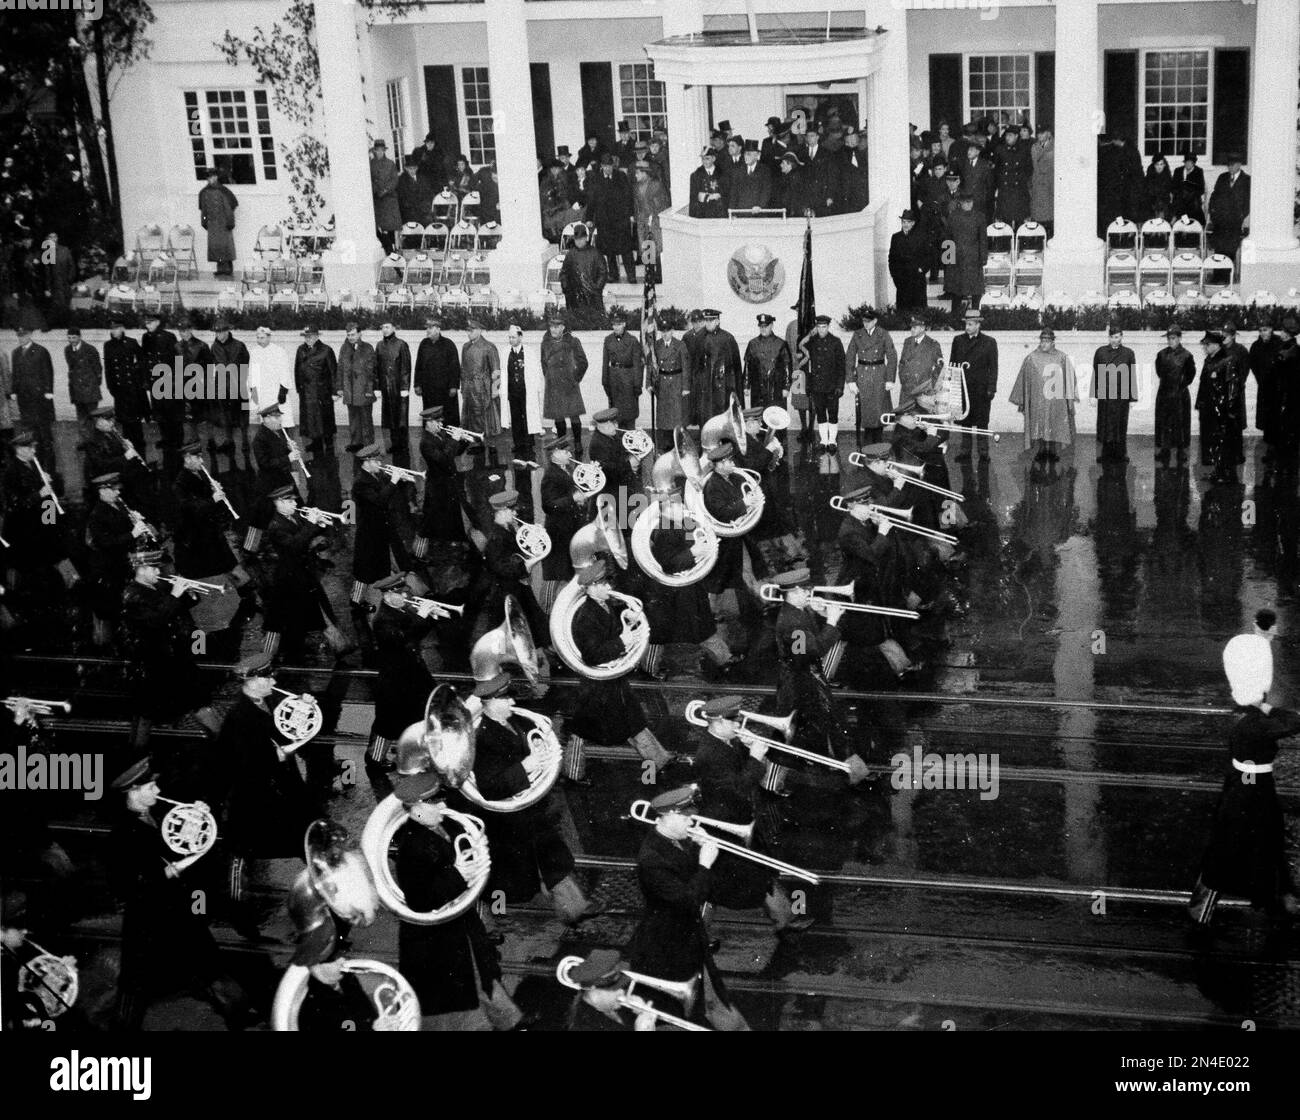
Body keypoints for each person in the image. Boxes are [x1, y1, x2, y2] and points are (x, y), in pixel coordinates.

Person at [108, 757, 254, 1031]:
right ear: (131, 791)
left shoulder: (158, 816)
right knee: (134, 997)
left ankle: (240, 1018)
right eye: (150, 786)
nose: (157, 791)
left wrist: (195, 821)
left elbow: (179, 847)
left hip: (178, 918)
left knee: (215, 979)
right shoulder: (122, 835)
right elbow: (126, 886)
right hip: (149, 926)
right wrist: (174, 868)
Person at [388, 753, 525, 1030]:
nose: (442, 805)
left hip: (456, 926)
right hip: (436, 938)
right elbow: (420, 900)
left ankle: (509, 1020)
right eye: (434, 801)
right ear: (415, 808)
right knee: (464, 993)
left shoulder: (440, 825)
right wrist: (459, 874)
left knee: (481, 976)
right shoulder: (411, 848)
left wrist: (477, 848)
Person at [450, 673, 600, 924]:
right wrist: (526, 767)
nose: (512, 703)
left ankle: (574, 908)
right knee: (491, 882)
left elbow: (522, 751)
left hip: (525, 813)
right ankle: (483, 927)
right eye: (505, 699)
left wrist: (537, 753)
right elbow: (490, 787)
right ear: (488, 704)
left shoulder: (510, 722)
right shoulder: (483, 739)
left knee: (552, 858)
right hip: (503, 824)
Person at [1189, 634, 1300, 924]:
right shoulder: (1256, 723)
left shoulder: (1242, 716)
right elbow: (1295, 721)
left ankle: (1281, 896)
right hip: (1251, 788)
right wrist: (1268, 707)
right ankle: (1205, 908)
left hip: (1245, 784)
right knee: (1237, 845)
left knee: (1262, 840)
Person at [626, 785, 749, 1030]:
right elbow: (688, 899)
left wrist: (702, 850)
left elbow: (706, 884)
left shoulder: (678, 841)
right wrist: (704, 864)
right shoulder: (651, 859)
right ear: (667, 816)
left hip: (688, 940)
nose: (690, 822)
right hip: (666, 948)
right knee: (682, 1012)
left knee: (713, 1003)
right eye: (685, 817)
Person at [689, 694, 814, 934]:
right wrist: (755, 757)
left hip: (739, 820)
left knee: (760, 872)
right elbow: (738, 788)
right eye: (733, 720)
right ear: (716, 722)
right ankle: (697, 936)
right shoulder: (709, 754)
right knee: (718, 886)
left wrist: (750, 751)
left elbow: (751, 774)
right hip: (723, 826)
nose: (738, 724)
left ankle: (785, 919)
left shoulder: (728, 741)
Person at [561, 559, 676, 784]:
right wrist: (623, 642)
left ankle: (656, 766)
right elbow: (593, 655)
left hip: (610, 681)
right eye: (602, 585)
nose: (608, 588)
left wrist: (630, 623)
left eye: (607, 583)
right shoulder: (586, 616)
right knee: (584, 730)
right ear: (590, 588)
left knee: (632, 724)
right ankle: (575, 775)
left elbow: (613, 634)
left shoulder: (602, 606)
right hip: (598, 686)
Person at [261, 485, 340, 660]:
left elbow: (308, 534)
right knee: (280, 619)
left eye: (294, 499)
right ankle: (272, 657)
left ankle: (338, 647)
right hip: (288, 578)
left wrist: (320, 524)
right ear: (278, 503)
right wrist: (312, 524)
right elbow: (295, 545)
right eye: (290, 501)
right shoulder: (275, 526)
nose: (295, 503)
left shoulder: (294, 516)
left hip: (304, 573)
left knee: (317, 611)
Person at [1009, 327, 1078, 462]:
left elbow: (1070, 379)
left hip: (1055, 400)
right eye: (1042, 340)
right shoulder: (1031, 358)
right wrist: (1024, 399)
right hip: (1038, 399)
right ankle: (1041, 449)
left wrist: (1069, 400)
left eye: (1047, 341)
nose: (1044, 343)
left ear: (1053, 342)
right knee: (1039, 423)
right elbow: (1024, 378)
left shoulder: (1062, 358)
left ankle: (1052, 450)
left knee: (1054, 422)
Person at [947, 308, 998, 461]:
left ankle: (983, 452)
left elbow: (993, 367)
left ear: (978, 325)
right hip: (963, 388)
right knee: (965, 420)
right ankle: (965, 451)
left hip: (981, 389)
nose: (967, 327)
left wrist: (991, 388)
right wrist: (952, 386)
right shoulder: (958, 341)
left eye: (970, 324)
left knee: (982, 421)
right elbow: (952, 364)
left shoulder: (989, 342)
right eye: (966, 324)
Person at [416, 405, 469, 547]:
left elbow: (454, 452)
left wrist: (464, 439)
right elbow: (444, 459)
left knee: (449, 511)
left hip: (447, 479)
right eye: (438, 422)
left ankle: (452, 539)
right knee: (434, 515)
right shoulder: (425, 443)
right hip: (437, 483)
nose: (441, 425)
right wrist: (454, 440)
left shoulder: (439, 434)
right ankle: (425, 547)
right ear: (429, 423)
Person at [844, 307, 897, 447]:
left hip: (879, 374)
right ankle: (867, 441)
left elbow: (892, 356)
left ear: (875, 321)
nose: (865, 324)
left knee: (879, 408)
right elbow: (849, 357)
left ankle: (878, 439)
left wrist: (890, 379)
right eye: (864, 321)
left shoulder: (883, 334)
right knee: (866, 408)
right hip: (863, 374)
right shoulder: (857, 334)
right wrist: (850, 380)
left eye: (868, 321)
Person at [1196, 330, 1243, 483]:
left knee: (1223, 441)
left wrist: (1229, 409)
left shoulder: (1229, 360)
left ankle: (1226, 473)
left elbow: (1233, 387)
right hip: (1210, 408)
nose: (1205, 347)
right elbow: (1204, 384)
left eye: (1207, 344)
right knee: (1214, 441)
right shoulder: (1209, 360)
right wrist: (1200, 403)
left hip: (1222, 409)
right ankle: (1218, 470)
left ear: (1216, 345)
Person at [584, 153, 636, 282]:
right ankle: (613, 274)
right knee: (609, 250)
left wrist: (630, 214)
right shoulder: (596, 180)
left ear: (613, 166)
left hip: (620, 219)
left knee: (626, 249)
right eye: (605, 166)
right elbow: (591, 200)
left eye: (610, 166)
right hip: (604, 221)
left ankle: (631, 275)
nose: (607, 169)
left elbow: (629, 197)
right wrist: (589, 218)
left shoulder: (621, 177)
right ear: (601, 166)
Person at [1091, 325, 1139, 463]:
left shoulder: (1129, 353)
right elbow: (1096, 374)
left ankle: (1121, 453)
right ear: (1109, 337)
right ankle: (1105, 454)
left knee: (1120, 424)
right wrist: (1093, 394)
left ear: (1121, 337)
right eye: (1111, 337)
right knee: (1105, 424)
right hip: (1105, 394)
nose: (1114, 340)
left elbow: (1132, 376)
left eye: (1117, 337)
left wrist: (1133, 398)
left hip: (1121, 395)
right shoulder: (1100, 352)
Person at [103, 320, 150, 454]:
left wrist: (137, 373)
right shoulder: (108, 345)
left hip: (133, 390)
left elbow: (142, 361)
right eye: (112, 329)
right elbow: (108, 369)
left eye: (116, 328)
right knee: (125, 427)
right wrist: (111, 387)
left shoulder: (131, 342)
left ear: (122, 328)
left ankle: (142, 457)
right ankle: (131, 458)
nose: (114, 331)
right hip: (120, 391)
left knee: (137, 428)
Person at [10, 326, 55, 466]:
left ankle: (48, 462)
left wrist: (48, 390)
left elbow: (48, 371)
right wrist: (14, 391)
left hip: (39, 397)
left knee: (43, 430)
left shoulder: (41, 351)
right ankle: (34, 458)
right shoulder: (16, 352)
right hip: (24, 397)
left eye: (23, 336)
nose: (21, 338)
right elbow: (16, 374)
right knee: (28, 427)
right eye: (19, 336)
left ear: (29, 335)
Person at [208, 319, 249, 468]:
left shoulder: (239, 345)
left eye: (221, 332)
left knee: (242, 416)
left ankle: (245, 442)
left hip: (237, 386)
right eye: (216, 332)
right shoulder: (214, 347)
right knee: (225, 416)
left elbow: (246, 363)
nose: (218, 335)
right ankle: (229, 442)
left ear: (227, 331)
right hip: (222, 387)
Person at [294, 325, 339, 457]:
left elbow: (333, 372)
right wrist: (299, 387)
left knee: (325, 419)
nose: (308, 339)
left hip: (322, 391)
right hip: (306, 391)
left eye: (311, 336)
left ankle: (329, 444)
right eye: (306, 336)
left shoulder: (326, 350)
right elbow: (297, 369)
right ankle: (316, 442)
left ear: (317, 336)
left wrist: (335, 391)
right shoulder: (300, 350)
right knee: (310, 420)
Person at [460, 319, 502, 461]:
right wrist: (463, 387)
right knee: (472, 416)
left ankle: (491, 445)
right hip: (469, 388)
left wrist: (495, 388)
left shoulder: (489, 347)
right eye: (467, 330)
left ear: (479, 330)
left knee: (487, 417)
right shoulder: (465, 347)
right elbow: (463, 369)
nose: (468, 333)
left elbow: (496, 370)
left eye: (471, 330)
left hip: (484, 388)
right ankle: (477, 443)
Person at [1153, 326, 1196, 464]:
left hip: (1180, 394)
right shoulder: (1161, 355)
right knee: (1164, 422)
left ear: (1179, 338)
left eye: (1173, 338)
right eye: (1169, 338)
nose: (1171, 341)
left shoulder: (1187, 355)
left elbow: (1191, 375)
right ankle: (1165, 450)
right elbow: (1159, 372)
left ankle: (1181, 451)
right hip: (1164, 393)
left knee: (1180, 423)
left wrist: (1180, 386)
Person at [803, 314, 845, 452]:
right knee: (820, 413)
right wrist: (808, 385)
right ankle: (824, 441)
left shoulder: (835, 342)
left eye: (824, 327)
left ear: (828, 327)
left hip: (832, 386)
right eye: (819, 327)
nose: (821, 330)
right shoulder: (812, 342)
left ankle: (832, 441)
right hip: (817, 385)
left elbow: (841, 366)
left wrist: (840, 386)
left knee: (832, 413)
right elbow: (808, 365)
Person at [650, 314, 690, 449]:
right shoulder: (656, 345)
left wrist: (685, 387)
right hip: (662, 383)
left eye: (667, 331)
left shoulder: (680, 345)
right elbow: (651, 365)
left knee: (676, 415)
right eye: (663, 331)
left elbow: (686, 366)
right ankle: (665, 444)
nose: (665, 334)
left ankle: (677, 444)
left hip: (676, 383)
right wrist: (649, 383)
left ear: (672, 331)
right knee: (663, 416)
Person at [696, 309, 743, 421]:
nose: (708, 323)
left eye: (711, 320)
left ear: (717, 321)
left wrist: (733, 388)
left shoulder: (728, 338)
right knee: (706, 414)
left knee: (723, 415)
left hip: (724, 388)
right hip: (706, 386)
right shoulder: (700, 338)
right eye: (706, 320)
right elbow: (697, 365)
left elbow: (735, 368)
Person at [944, 191, 987, 311]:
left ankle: (975, 312)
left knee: (976, 290)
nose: (968, 205)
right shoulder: (953, 217)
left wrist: (983, 257)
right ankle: (955, 316)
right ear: (960, 203)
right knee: (957, 290)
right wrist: (947, 258)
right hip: (957, 258)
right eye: (965, 202)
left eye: (970, 202)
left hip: (974, 258)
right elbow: (948, 238)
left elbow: (983, 239)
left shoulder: (979, 217)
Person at [414, 317, 461, 425]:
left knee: (447, 418)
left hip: (445, 391)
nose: (428, 330)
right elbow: (419, 366)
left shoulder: (449, 344)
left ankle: (448, 439)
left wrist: (454, 386)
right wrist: (417, 384)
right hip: (428, 390)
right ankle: (431, 438)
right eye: (427, 328)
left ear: (438, 329)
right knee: (430, 418)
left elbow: (455, 367)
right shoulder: (424, 344)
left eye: (431, 328)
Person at [896, 313, 944, 416]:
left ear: (922, 328)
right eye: (911, 327)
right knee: (905, 420)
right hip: (907, 388)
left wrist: (931, 386)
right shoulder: (907, 342)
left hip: (922, 389)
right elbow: (902, 363)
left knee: (922, 420)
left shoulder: (933, 344)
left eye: (914, 327)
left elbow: (939, 367)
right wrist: (903, 379)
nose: (911, 330)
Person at [1207, 155, 1250, 268]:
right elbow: (1214, 196)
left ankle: (1228, 275)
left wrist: (1241, 215)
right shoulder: (1222, 177)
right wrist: (1213, 212)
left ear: (1239, 165)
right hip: (1220, 220)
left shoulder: (1246, 180)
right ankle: (1217, 274)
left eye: (1233, 165)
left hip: (1234, 221)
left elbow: (1247, 201)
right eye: (1228, 165)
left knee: (1230, 248)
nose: (1230, 167)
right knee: (1219, 248)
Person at [744, 313, 792, 414]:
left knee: (776, 416)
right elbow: (748, 366)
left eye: (766, 326)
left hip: (776, 388)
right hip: (758, 388)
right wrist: (746, 385)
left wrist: (786, 387)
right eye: (761, 326)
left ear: (771, 326)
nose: (763, 329)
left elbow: (787, 366)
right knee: (758, 415)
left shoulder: (781, 344)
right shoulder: (753, 344)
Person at [1268, 317, 1300, 465]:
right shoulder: (1290, 348)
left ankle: (1285, 459)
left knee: (1285, 427)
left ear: (1287, 333)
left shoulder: (1289, 351)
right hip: (1287, 394)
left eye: (1283, 330)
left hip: (1285, 394)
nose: (1280, 333)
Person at [602, 310, 643, 426]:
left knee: (629, 415)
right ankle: (618, 442)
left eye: (619, 324)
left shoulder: (632, 341)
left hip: (628, 380)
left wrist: (637, 385)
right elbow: (605, 363)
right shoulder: (608, 340)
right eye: (614, 324)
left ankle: (629, 440)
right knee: (615, 414)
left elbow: (637, 365)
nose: (616, 327)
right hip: (614, 380)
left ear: (624, 324)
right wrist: (605, 382)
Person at [1249, 320, 1282, 462]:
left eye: (1266, 329)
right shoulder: (1256, 346)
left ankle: (1278, 449)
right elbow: (1253, 365)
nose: (1263, 333)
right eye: (1261, 330)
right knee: (1266, 419)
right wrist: (1262, 380)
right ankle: (1270, 448)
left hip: (1278, 388)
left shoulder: (1279, 344)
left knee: (1278, 419)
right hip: (1264, 387)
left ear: (1272, 329)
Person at [197, 168, 238, 277]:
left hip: (224, 223)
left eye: (213, 176)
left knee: (226, 246)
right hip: (212, 224)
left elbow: (231, 206)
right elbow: (203, 209)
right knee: (215, 247)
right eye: (209, 177)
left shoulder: (223, 191)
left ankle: (228, 268)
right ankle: (220, 269)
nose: (211, 179)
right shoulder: (204, 192)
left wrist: (230, 221)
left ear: (217, 177)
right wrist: (204, 222)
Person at [64, 327, 102, 442]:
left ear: (80, 337)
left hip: (90, 389)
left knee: (93, 417)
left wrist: (93, 385)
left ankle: (96, 441)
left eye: (74, 337)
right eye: (69, 338)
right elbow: (72, 368)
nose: (72, 340)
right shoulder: (67, 350)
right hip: (76, 390)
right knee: (81, 418)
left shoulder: (90, 349)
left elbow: (98, 369)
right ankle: (85, 441)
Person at [558, 223, 607, 309]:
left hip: (592, 296)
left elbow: (603, 272)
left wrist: (596, 288)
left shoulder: (595, 253)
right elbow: (564, 273)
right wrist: (566, 288)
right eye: (577, 239)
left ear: (586, 238)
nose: (579, 241)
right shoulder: (571, 254)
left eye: (581, 239)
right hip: (574, 296)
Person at [889, 211, 928, 314]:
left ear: (913, 223)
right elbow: (892, 259)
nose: (905, 224)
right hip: (902, 281)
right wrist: (895, 276)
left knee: (918, 312)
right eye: (903, 222)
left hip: (917, 280)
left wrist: (922, 269)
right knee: (903, 312)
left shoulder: (921, 237)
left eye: (908, 222)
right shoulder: (896, 238)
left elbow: (929, 255)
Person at [992, 126, 1032, 227]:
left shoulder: (1023, 150)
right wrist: (999, 184)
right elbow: (996, 170)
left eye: (1010, 135)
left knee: (1020, 221)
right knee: (1005, 223)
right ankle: (1005, 243)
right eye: (1006, 135)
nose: (1007, 138)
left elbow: (1029, 169)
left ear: (1016, 136)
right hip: (1005, 191)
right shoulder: (1000, 149)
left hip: (1019, 190)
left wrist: (1021, 181)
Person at [503, 324, 531, 455]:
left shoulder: (528, 353)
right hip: (513, 392)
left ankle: (528, 443)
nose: (511, 340)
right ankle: (518, 443)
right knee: (515, 418)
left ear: (520, 337)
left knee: (528, 417)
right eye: (509, 337)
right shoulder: (506, 353)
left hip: (525, 392)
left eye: (513, 337)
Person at [369, 139, 401, 254]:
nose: (379, 152)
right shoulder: (370, 164)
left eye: (381, 150)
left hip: (389, 199)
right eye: (377, 150)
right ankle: (385, 250)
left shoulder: (390, 164)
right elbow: (368, 180)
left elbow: (395, 180)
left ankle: (394, 250)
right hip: (377, 200)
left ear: (384, 151)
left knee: (390, 226)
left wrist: (386, 190)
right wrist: (376, 190)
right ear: (374, 151)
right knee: (380, 228)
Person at [728, 139, 772, 211]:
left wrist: (760, 206)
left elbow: (766, 191)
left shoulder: (765, 171)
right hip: (741, 212)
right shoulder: (738, 170)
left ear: (757, 155)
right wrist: (732, 211)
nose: (746, 157)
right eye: (745, 154)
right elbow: (734, 193)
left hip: (758, 212)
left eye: (749, 154)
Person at [773, 150, 815, 218]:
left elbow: (793, 199)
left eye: (783, 163)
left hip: (793, 216)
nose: (780, 165)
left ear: (790, 164)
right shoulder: (787, 177)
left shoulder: (794, 178)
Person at [838, 126, 869, 213]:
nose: (851, 143)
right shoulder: (842, 155)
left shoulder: (865, 152)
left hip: (865, 194)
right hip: (850, 196)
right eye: (848, 141)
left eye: (853, 140)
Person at [689, 149, 727, 219]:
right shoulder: (696, 175)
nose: (704, 161)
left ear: (714, 158)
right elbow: (693, 199)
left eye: (707, 159)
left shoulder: (722, 173)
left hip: (719, 214)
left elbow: (726, 194)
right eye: (703, 159)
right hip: (703, 214)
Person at [397, 155, 434, 226]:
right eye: (410, 169)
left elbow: (429, 193)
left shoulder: (422, 178)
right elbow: (402, 199)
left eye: (414, 168)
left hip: (424, 210)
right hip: (410, 212)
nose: (412, 171)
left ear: (417, 168)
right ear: (406, 168)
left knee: (430, 220)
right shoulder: (402, 180)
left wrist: (427, 205)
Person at [1030, 128, 1054, 237]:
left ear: (1048, 133)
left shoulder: (1055, 146)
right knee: (1038, 215)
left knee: (1050, 214)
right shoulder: (1035, 147)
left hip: (1050, 183)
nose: (1039, 135)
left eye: (1042, 133)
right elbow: (1034, 163)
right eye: (1038, 133)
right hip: (1038, 182)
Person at [1171, 150, 1206, 225]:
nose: (1188, 164)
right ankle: (1184, 224)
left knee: (1187, 205)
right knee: (1180, 202)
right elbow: (1173, 187)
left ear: (1194, 163)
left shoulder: (1198, 171)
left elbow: (1201, 189)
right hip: (1179, 199)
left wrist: (1190, 191)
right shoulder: (1178, 171)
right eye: (1186, 162)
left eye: (1190, 162)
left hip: (1193, 201)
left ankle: (1183, 222)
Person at [1145, 153, 1173, 221]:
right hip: (1151, 206)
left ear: (1164, 165)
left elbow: (1169, 195)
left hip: (1164, 206)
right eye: (1157, 164)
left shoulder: (1168, 178)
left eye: (1161, 164)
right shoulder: (1149, 178)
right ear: (1154, 165)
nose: (1159, 167)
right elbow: (1148, 193)